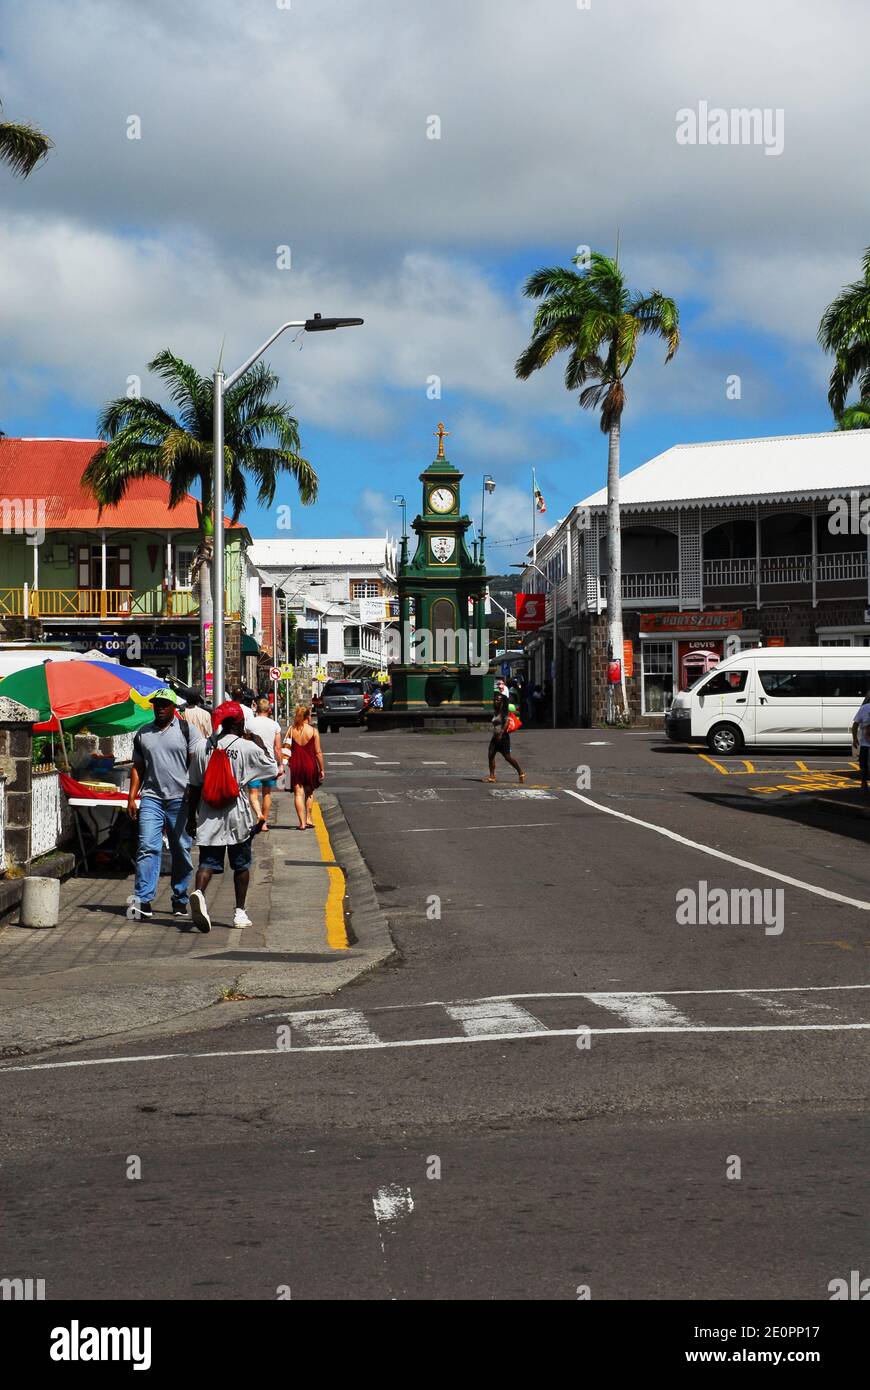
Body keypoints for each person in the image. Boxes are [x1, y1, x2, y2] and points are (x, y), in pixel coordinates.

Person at [186, 701, 279, 931]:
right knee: (241, 864)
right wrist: (257, 741)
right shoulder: (246, 748)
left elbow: (194, 786)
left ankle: (199, 893)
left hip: (208, 813)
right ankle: (239, 913)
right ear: (239, 722)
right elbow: (271, 768)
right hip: (237, 812)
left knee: (207, 862)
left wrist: (190, 817)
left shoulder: (201, 748)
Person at [126, 687, 204, 921]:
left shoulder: (187, 731)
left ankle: (180, 897)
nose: (159, 708)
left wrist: (195, 797)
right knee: (148, 847)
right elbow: (138, 767)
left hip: (180, 800)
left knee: (180, 849)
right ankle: (143, 900)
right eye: (156, 704)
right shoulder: (143, 734)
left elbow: (196, 764)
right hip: (152, 798)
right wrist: (132, 796)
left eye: (164, 704)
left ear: (173, 708)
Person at [283, 705, 325, 830]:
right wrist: (321, 768)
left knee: (298, 794)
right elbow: (318, 752)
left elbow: (285, 748)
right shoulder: (313, 731)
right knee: (309, 792)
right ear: (308, 716)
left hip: (295, 765)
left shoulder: (291, 729)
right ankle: (308, 818)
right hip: (310, 764)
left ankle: (301, 823)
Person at [248, 695, 283, 831]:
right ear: (269, 710)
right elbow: (277, 748)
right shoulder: (274, 725)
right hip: (269, 763)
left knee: (253, 793)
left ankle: (259, 815)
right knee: (267, 793)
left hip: (253, 763)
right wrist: (280, 765)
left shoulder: (249, 724)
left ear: (256, 709)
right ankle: (264, 823)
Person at [485, 687, 524, 784]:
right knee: (490, 755)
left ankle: (520, 772)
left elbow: (506, 722)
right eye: (495, 699)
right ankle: (492, 776)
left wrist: (501, 733)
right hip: (495, 736)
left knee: (507, 757)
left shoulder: (504, 711)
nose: (496, 701)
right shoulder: (496, 711)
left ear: (502, 701)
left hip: (503, 737)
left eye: (498, 699)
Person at [851, 690, 870, 794]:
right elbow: (855, 725)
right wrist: (854, 738)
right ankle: (863, 783)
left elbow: (855, 725)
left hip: (865, 743)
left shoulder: (863, 708)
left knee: (863, 765)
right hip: (865, 743)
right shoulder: (864, 709)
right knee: (863, 764)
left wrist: (854, 738)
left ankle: (863, 783)